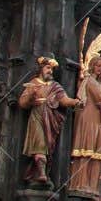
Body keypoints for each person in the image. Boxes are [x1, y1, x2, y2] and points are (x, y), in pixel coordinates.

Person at [18, 55, 77, 186]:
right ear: (41, 68)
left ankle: (42, 171)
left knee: (48, 147)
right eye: (48, 68)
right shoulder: (33, 84)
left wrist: (75, 102)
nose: (50, 71)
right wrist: (31, 97)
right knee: (39, 145)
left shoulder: (55, 86)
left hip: (50, 120)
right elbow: (22, 103)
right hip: (37, 118)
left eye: (52, 69)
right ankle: (41, 173)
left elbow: (64, 100)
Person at [68, 34, 101, 195]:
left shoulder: (96, 81)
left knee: (93, 152)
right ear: (92, 66)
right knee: (86, 150)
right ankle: (81, 183)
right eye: (98, 66)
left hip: (94, 118)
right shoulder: (91, 82)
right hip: (89, 118)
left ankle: (88, 184)